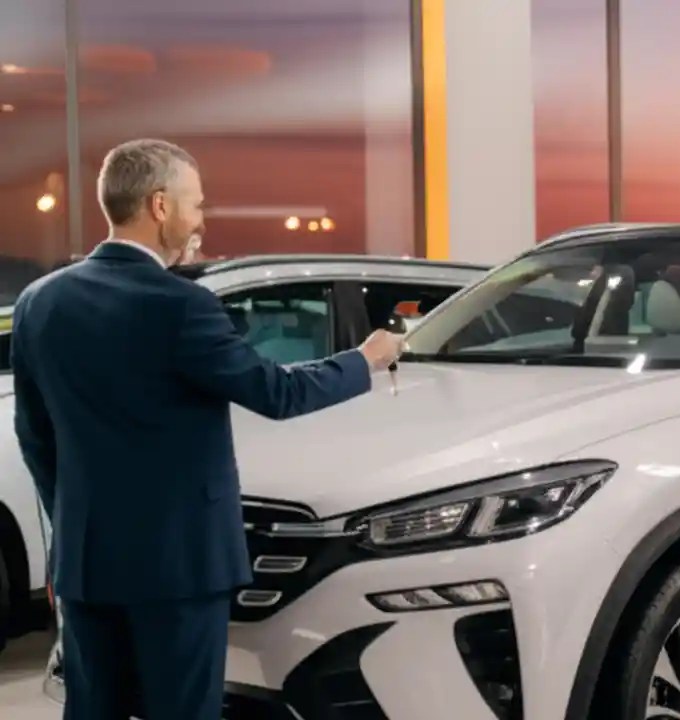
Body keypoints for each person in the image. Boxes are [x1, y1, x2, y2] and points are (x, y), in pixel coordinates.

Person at [11, 138, 404, 720]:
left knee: (93, 709)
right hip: (178, 565)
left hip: (86, 559)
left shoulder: (39, 301)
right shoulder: (180, 305)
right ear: (160, 206)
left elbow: (34, 434)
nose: (201, 220)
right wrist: (365, 359)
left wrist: (73, 521)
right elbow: (276, 392)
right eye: (196, 205)